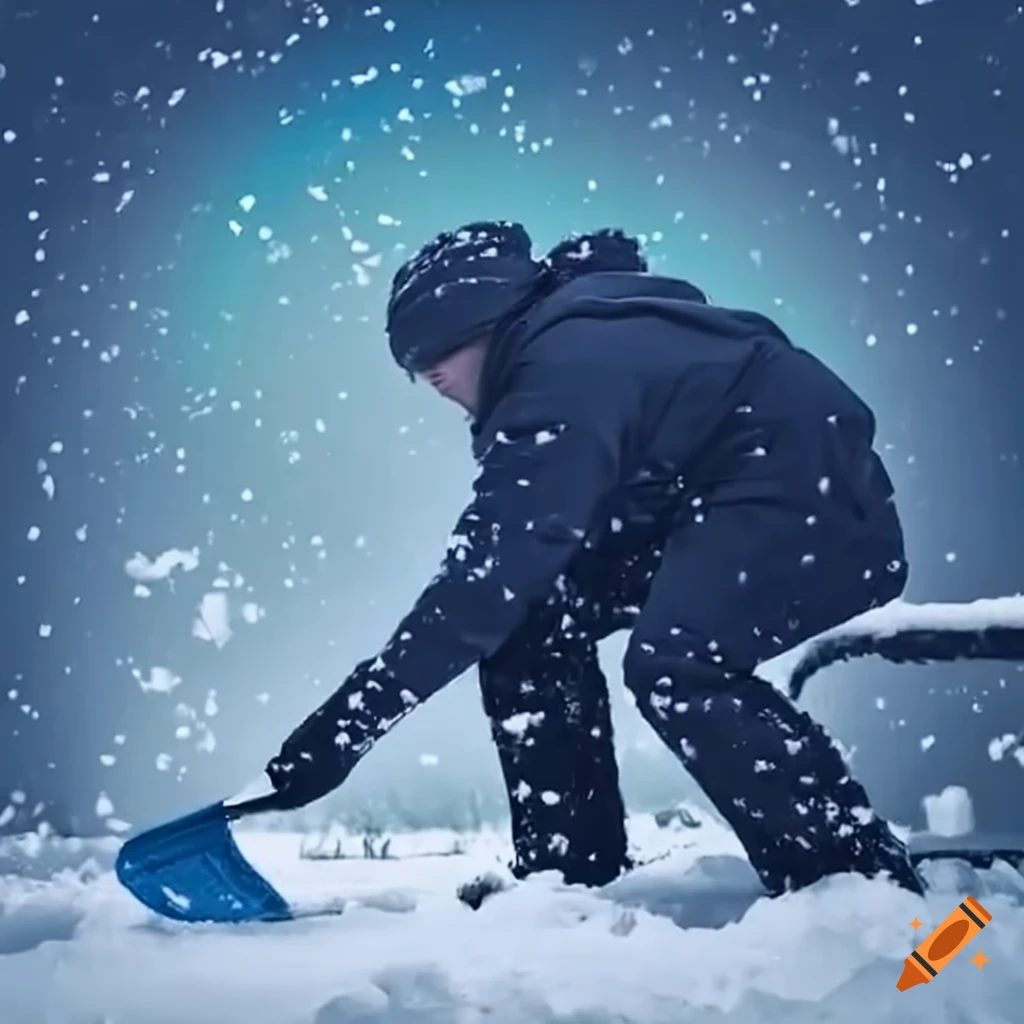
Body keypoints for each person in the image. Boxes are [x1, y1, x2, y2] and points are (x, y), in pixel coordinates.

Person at [265, 220, 926, 897]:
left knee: (677, 664)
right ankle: (570, 876)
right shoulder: (571, 349)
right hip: (722, 503)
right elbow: (512, 581)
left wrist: (346, 728)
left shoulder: (561, 370)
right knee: (532, 623)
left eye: (436, 347)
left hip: (806, 505)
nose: (424, 373)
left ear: (487, 320)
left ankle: (854, 880)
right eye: (412, 362)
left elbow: (487, 573)